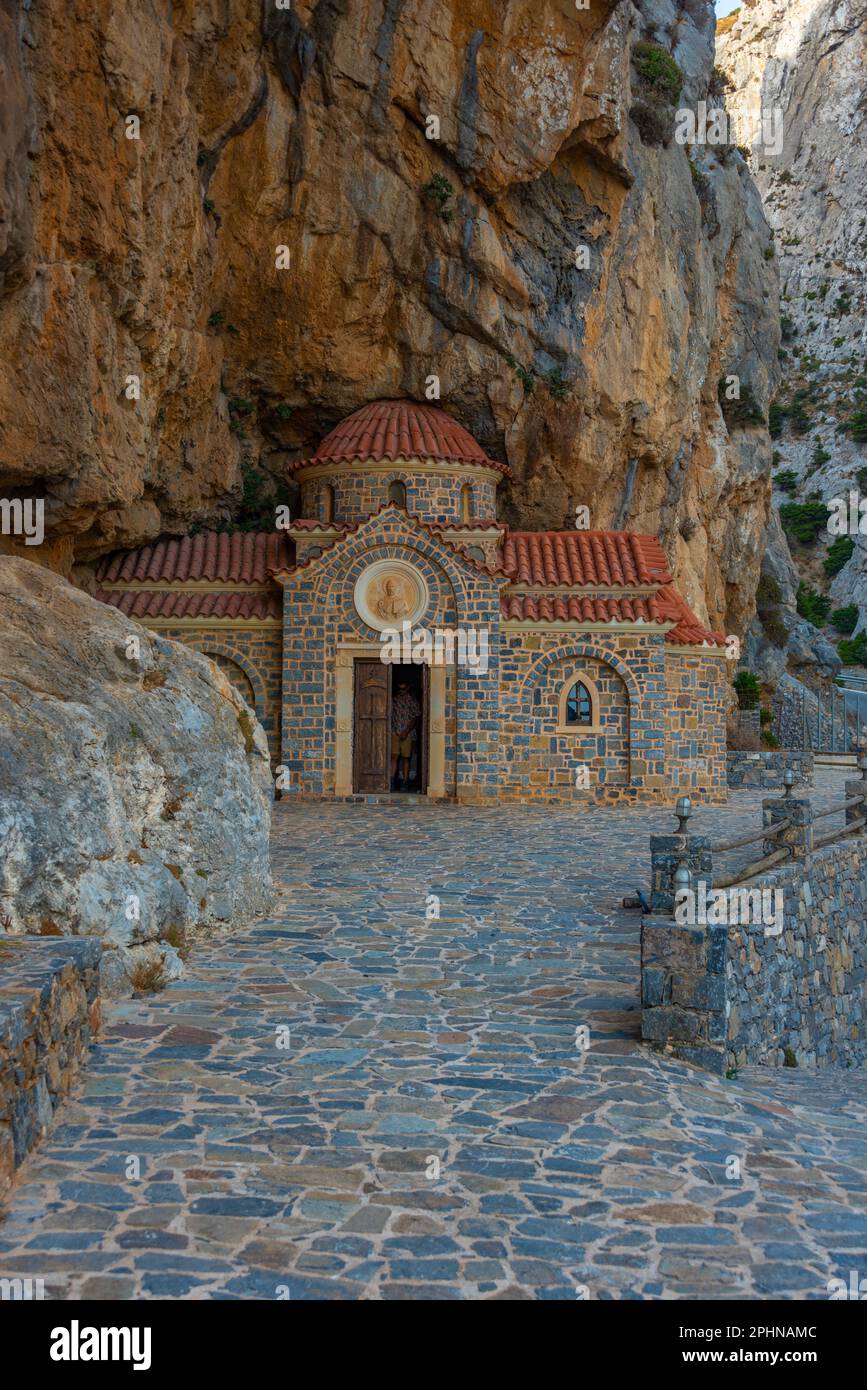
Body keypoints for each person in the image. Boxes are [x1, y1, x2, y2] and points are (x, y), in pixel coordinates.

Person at [391, 679, 420, 790]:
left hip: (407, 733)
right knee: (394, 756)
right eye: (399, 689)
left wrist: (406, 731)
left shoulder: (412, 701)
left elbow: (416, 717)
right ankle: (392, 781)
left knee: (406, 758)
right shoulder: (394, 701)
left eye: (403, 688)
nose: (401, 691)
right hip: (395, 731)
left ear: (407, 688)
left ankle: (405, 781)